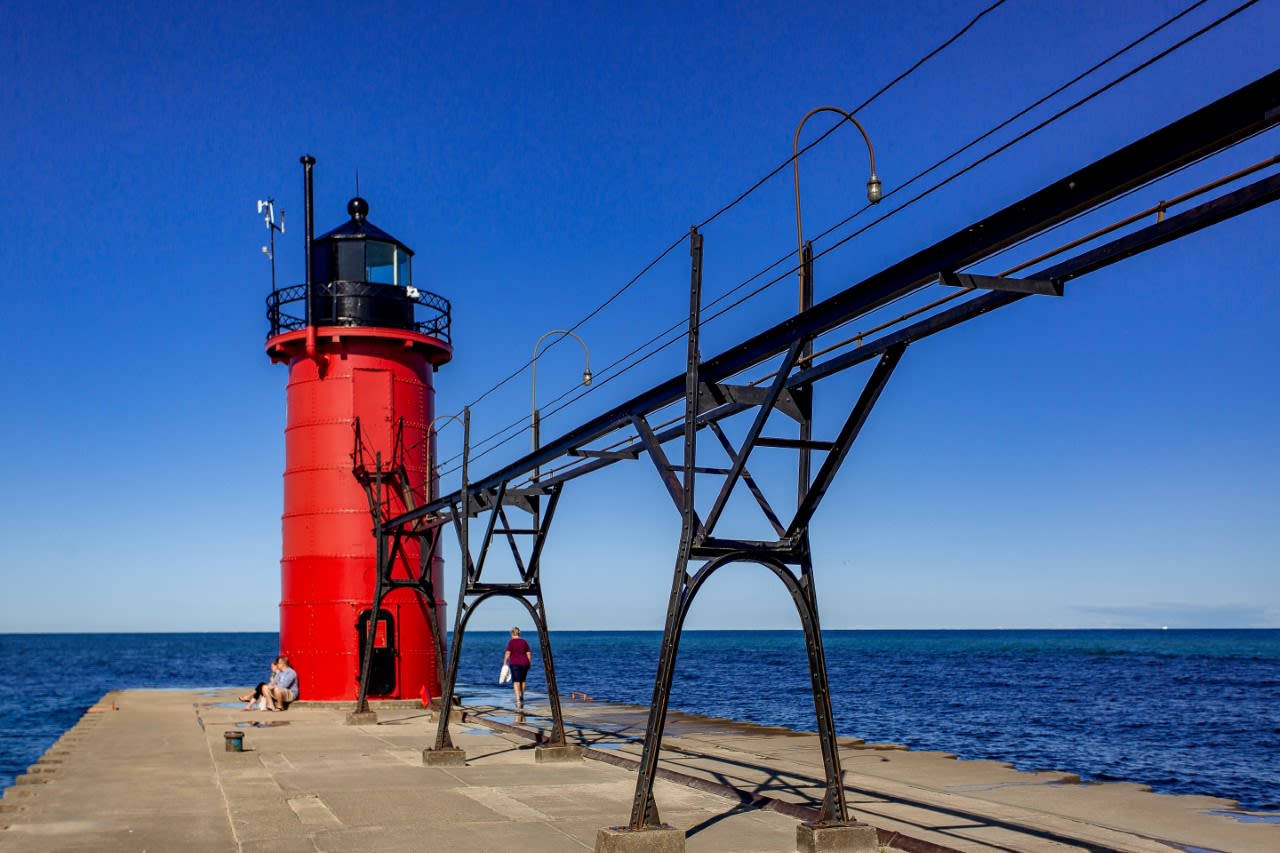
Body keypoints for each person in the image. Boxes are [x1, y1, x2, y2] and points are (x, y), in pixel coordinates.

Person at [502, 627, 531, 707]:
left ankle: (518, 698)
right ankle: (522, 696)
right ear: (519, 633)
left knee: (516, 681)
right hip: (525, 663)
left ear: (512, 633)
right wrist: (529, 663)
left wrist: (504, 663)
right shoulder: (524, 642)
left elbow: (508, 653)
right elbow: (528, 654)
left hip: (515, 664)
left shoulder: (511, 642)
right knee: (523, 680)